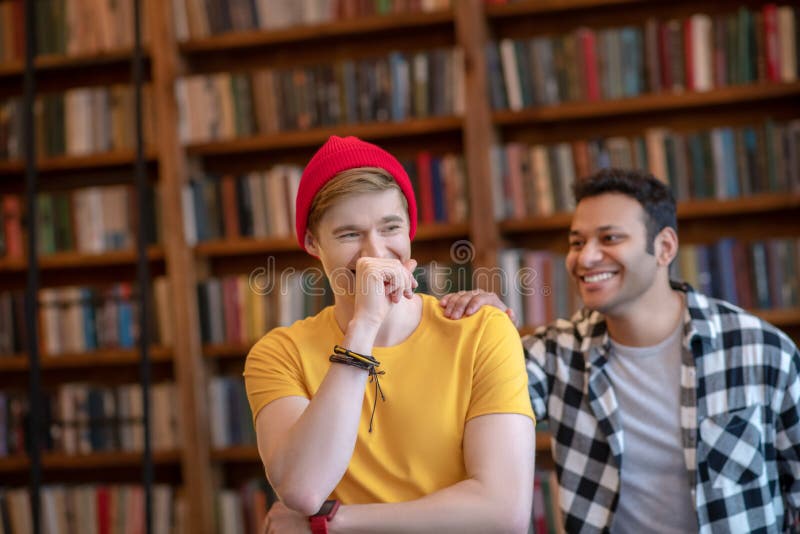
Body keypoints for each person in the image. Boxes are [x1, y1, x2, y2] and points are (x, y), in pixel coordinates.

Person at [440, 168, 800, 533]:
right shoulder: (553, 355)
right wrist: (478, 328)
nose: (586, 258)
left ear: (665, 247)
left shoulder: (763, 351)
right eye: (577, 242)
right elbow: (456, 410)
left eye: (609, 238)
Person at [244, 135, 535, 534]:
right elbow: (304, 490)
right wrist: (363, 327)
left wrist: (333, 525)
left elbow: (504, 514)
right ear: (313, 242)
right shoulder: (279, 353)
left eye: (390, 227)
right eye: (349, 234)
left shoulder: (482, 329)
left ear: (409, 230)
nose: (374, 252)